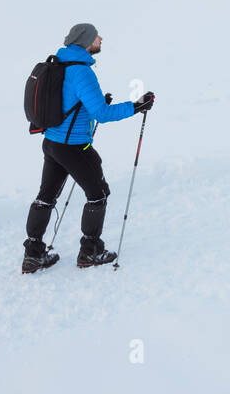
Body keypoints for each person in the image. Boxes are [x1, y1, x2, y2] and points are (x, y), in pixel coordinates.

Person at [22, 22, 155, 273]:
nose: (101, 39)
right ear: (86, 42)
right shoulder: (81, 71)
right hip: (73, 147)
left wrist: (90, 104)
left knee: (46, 196)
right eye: (96, 36)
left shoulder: (59, 64)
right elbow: (102, 114)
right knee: (98, 194)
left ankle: (33, 254)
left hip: (51, 143)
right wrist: (136, 106)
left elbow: (65, 101)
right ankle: (90, 251)